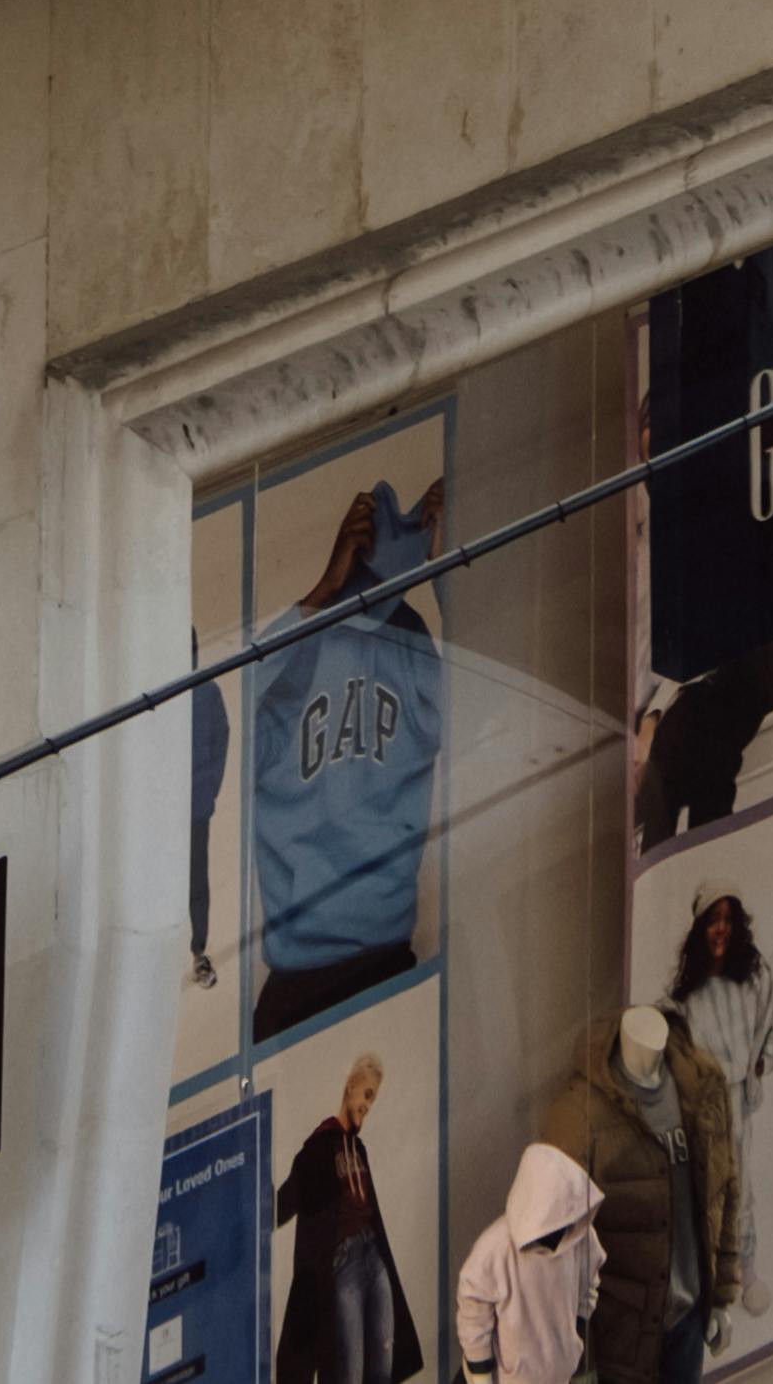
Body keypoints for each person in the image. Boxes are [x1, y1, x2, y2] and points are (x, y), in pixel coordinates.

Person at [250, 479, 447, 1040]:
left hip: (371, 958)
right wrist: (318, 597)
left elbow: (481, 720)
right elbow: (229, 724)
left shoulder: (410, 638)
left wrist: (319, 595)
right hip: (314, 970)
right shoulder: (303, 653)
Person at [539, 1002, 737, 1384]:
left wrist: (721, 1295)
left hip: (688, 1317)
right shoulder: (576, 1117)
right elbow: (555, 1254)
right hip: (620, 1334)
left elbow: (724, 1191)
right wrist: (579, 1357)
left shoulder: (704, 1086)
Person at [667, 888, 773, 1325]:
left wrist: (762, 1060)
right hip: (704, 1110)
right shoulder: (685, 997)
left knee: (742, 1188)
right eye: (712, 920)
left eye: (727, 919)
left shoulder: (751, 979)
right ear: (700, 928)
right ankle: (711, 1283)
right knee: (707, 1191)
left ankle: (746, 1271)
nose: (720, 929)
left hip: (737, 1100)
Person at [274, 1048, 424, 1384]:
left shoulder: (361, 1151)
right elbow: (283, 1206)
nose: (368, 1105)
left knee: (381, 1367)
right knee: (348, 1372)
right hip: (343, 1267)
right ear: (350, 1086)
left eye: (373, 1099)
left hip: (372, 1257)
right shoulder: (317, 1149)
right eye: (367, 1094)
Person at [450, 1145, 601, 1384]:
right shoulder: (494, 1249)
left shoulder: (582, 1238)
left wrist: (576, 1334)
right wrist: (481, 1376)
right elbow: (473, 1316)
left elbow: (589, 1284)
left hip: (559, 1376)